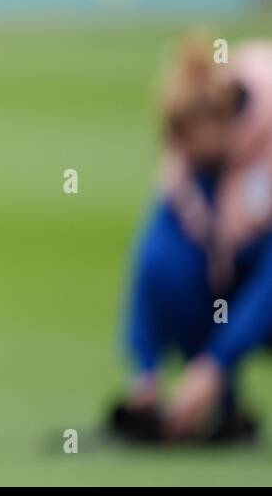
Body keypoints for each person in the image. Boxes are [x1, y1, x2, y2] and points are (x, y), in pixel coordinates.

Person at [109, 37, 272, 444]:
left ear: (220, 121)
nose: (179, 153)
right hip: (242, 263)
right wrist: (145, 371)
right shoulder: (190, 157)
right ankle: (226, 411)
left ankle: (216, 390)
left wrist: (213, 366)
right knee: (179, 269)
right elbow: (155, 262)